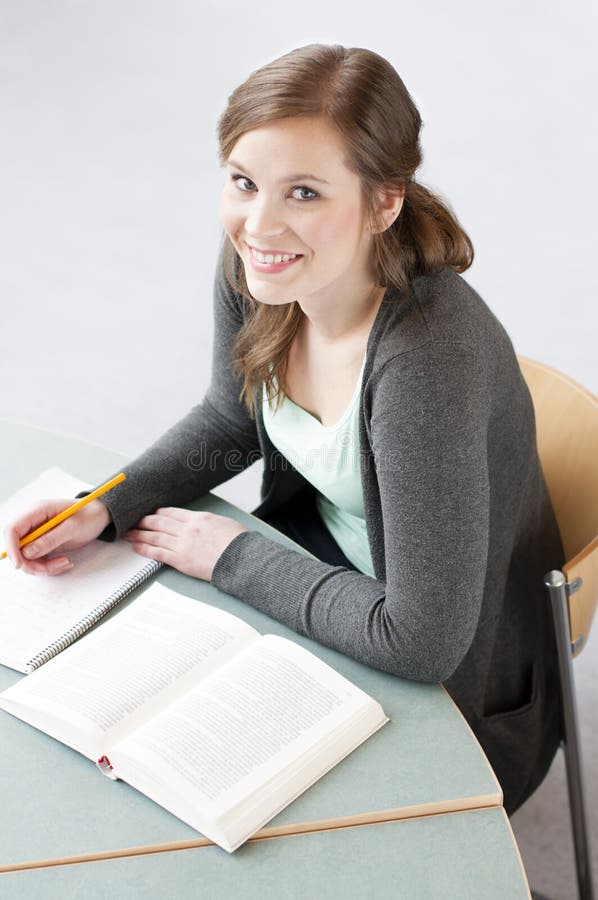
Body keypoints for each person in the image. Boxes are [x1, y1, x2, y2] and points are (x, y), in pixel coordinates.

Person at [3, 43, 564, 815]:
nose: (258, 223)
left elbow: (423, 639)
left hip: (451, 673)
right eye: (243, 182)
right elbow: (230, 418)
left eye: (303, 192)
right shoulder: (266, 265)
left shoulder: (428, 361)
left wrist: (234, 556)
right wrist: (105, 505)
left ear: (383, 201)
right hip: (329, 571)